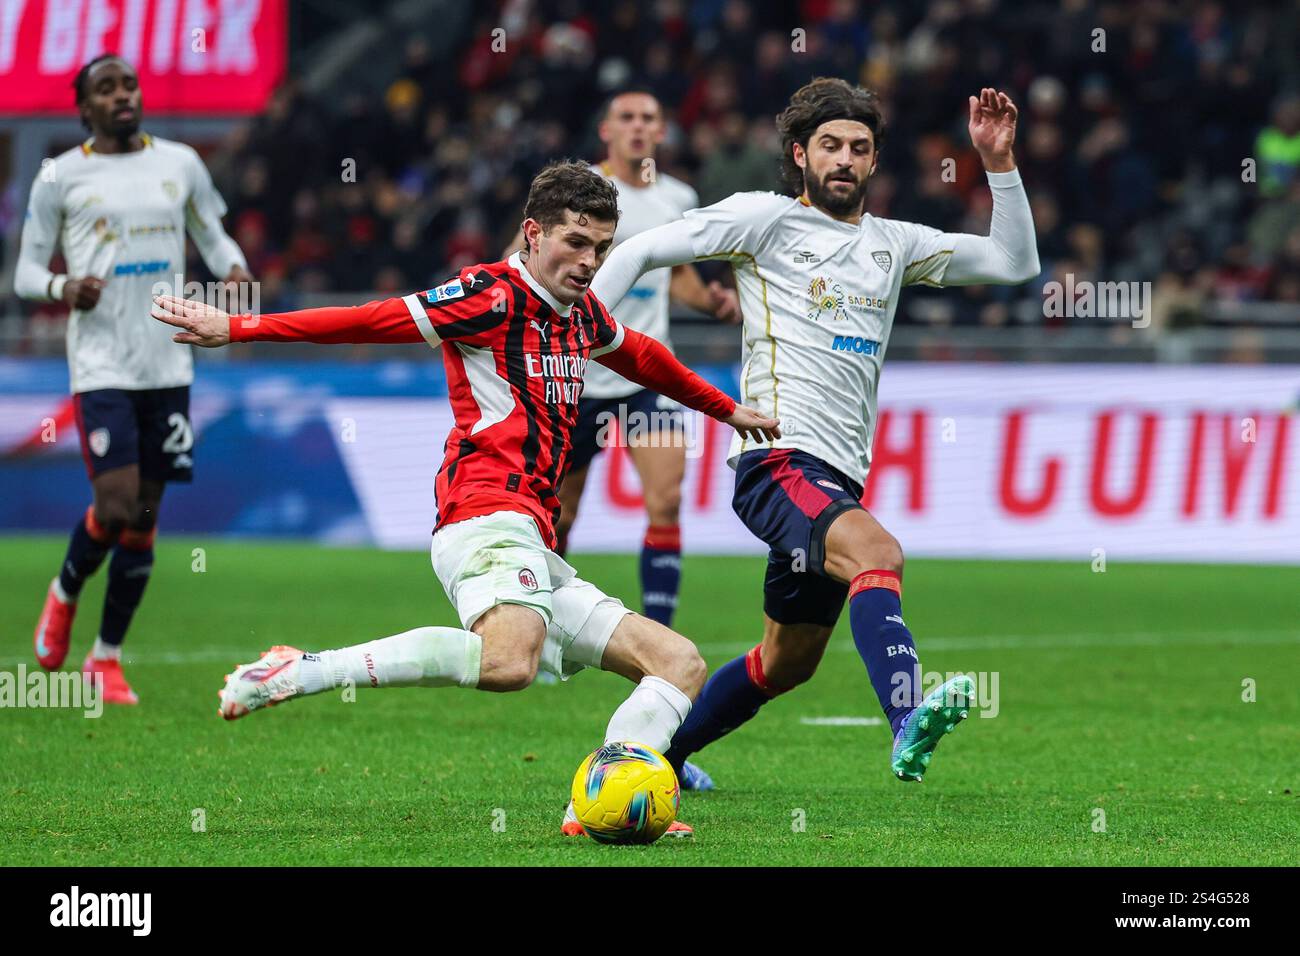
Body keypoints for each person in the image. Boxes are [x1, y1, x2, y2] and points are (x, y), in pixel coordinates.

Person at [151, 161, 779, 836]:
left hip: (529, 531)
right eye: (575, 242)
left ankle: (592, 808)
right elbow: (371, 319)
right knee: (509, 663)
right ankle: (302, 669)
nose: (590, 260)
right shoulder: (489, 295)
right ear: (533, 235)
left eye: (601, 247)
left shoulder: (581, 314)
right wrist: (240, 329)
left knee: (676, 663)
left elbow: (645, 358)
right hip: (484, 511)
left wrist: (727, 410)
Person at [591, 79, 1041, 783]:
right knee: (878, 552)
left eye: (859, 149)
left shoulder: (897, 244)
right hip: (776, 459)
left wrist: (998, 162)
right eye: (829, 145)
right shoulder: (763, 221)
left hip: (836, 475)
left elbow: (1016, 263)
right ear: (800, 154)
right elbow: (640, 249)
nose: (844, 159)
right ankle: (908, 714)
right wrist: (584, 328)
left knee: (786, 662)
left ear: (873, 163)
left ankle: (662, 759)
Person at [17, 54, 251, 703]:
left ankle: (106, 658)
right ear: (84, 108)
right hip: (102, 366)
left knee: (144, 519)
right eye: (106, 89)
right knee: (116, 504)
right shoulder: (59, 177)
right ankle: (64, 592)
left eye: (128, 84)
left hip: (169, 360)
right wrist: (64, 285)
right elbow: (24, 274)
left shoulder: (180, 163)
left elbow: (215, 233)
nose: (122, 95)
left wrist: (234, 270)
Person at [506, 90, 740, 640]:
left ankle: (657, 638)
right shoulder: (576, 190)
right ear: (606, 131)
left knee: (665, 499)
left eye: (649, 120)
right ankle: (545, 630)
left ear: (662, 133)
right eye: (627, 118)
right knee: (560, 512)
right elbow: (522, 256)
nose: (638, 128)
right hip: (574, 379)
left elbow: (674, 275)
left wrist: (712, 301)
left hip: (643, 375)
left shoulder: (678, 196)